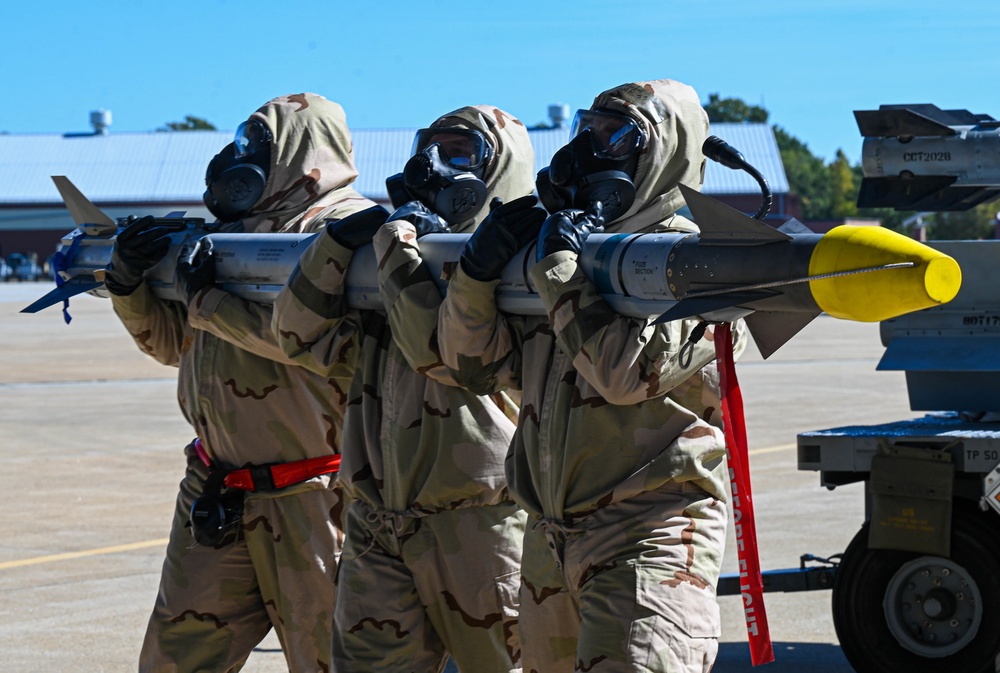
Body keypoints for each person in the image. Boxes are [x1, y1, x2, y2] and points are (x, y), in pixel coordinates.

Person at [437, 79, 747, 673]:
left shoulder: (694, 262)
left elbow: (625, 375)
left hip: (647, 539)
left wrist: (559, 269)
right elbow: (474, 367)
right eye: (589, 132)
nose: (589, 151)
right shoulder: (575, 246)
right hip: (550, 538)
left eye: (615, 137)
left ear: (660, 155)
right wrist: (477, 276)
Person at [104, 92, 377, 673]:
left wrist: (209, 301)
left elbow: (339, 354)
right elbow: (171, 344)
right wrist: (130, 285)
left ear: (304, 157)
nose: (242, 156)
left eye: (261, 144)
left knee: (331, 660)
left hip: (317, 503)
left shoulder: (349, 237)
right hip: (216, 487)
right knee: (175, 660)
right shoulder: (235, 237)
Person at [272, 105, 537, 673]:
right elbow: (294, 334)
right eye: (431, 149)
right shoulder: (394, 256)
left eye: (461, 153)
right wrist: (339, 244)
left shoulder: (518, 272)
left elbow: (453, 359)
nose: (436, 166)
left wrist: (404, 251)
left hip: (481, 526)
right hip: (377, 519)